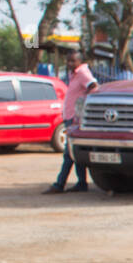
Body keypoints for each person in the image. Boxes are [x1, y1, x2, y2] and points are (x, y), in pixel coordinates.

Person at [43, 49, 98, 193]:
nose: (69, 63)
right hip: (69, 117)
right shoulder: (73, 74)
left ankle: (59, 184)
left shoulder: (83, 73)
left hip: (75, 119)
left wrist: (83, 104)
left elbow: (94, 86)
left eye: (73, 60)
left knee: (69, 153)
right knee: (75, 152)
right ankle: (81, 183)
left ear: (80, 61)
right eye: (68, 60)